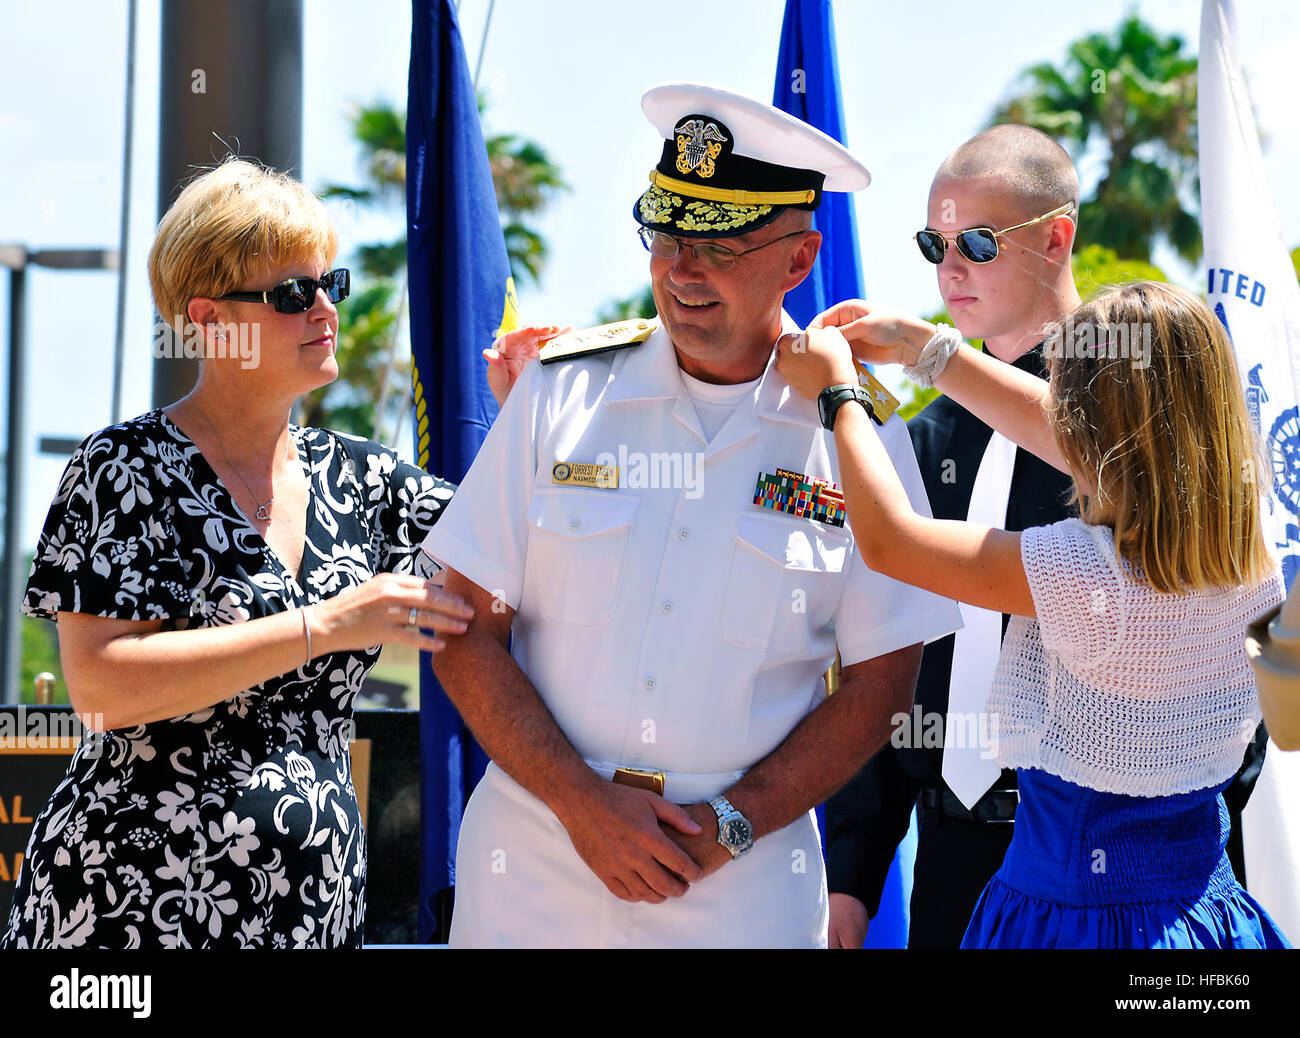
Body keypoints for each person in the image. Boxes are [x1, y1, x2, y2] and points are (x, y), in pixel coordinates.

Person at [419, 83, 962, 948]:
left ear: (799, 258)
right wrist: (582, 803)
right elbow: (461, 628)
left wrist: (734, 823)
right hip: (535, 860)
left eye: (719, 244)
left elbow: (881, 682)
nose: (681, 269)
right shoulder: (561, 392)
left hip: (742, 881)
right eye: (666, 234)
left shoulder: (857, 433)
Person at [2, 158, 472, 949]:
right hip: (125, 910)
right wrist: (325, 625)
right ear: (210, 319)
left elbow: (515, 556)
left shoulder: (364, 476)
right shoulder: (126, 467)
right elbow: (102, 688)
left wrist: (535, 406)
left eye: (332, 284)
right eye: (292, 294)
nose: (326, 310)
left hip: (307, 914)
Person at [823, 126, 1269, 949]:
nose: (949, 267)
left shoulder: (1076, 568)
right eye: (934, 246)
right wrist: (929, 351)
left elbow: (889, 543)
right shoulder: (1256, 559)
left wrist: (838, 393)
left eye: (977, 245)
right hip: (1183, 907)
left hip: (1058, 899)